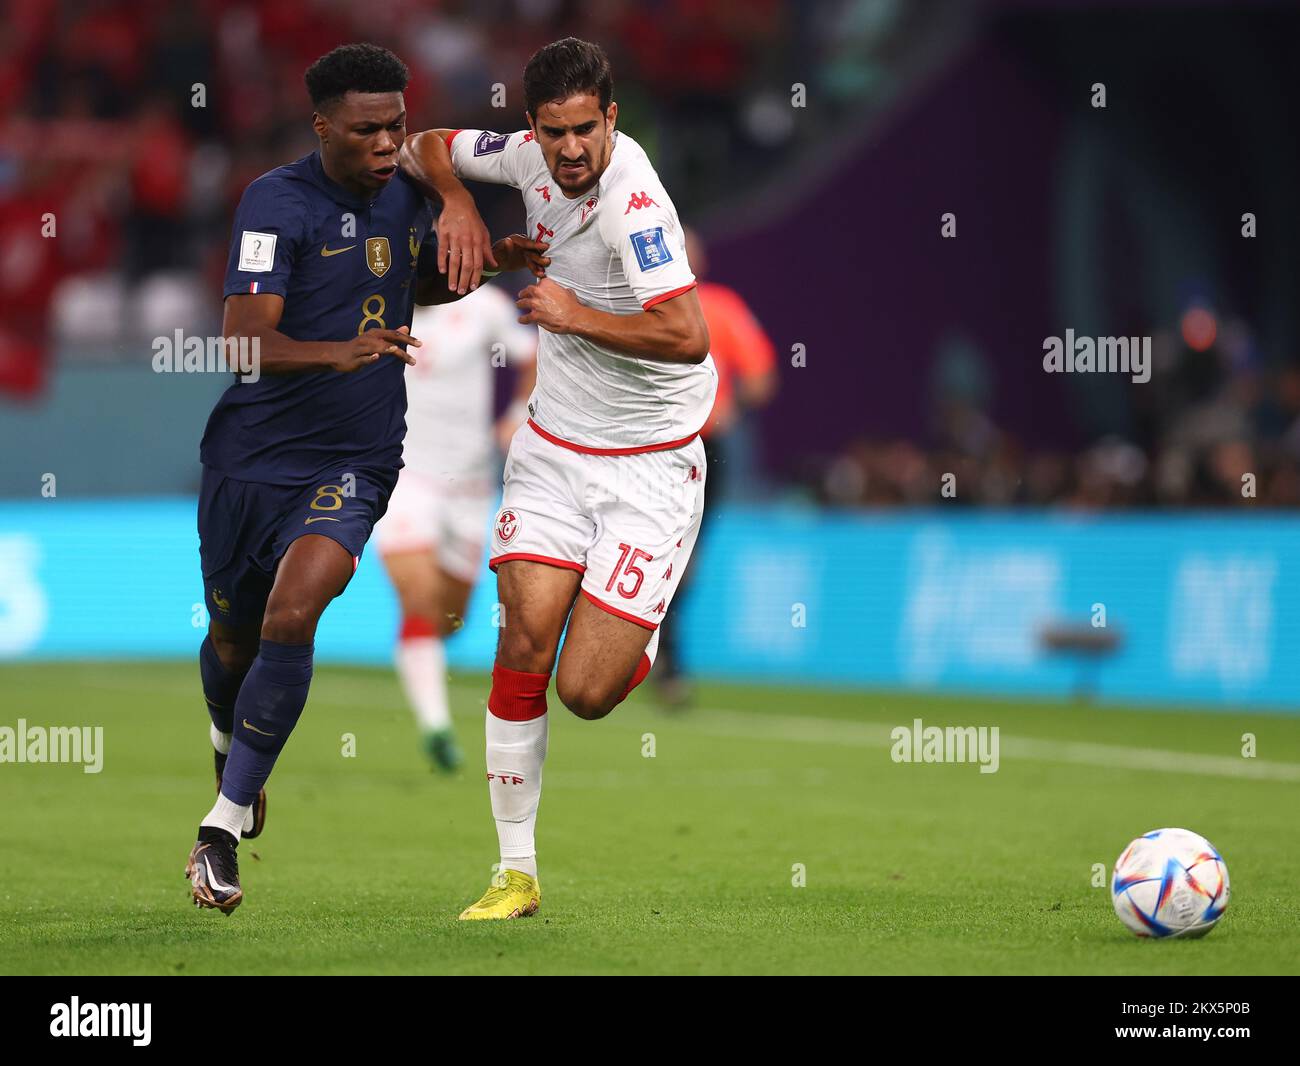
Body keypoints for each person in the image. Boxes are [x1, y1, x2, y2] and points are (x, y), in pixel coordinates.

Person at [185, 42, 508, 914]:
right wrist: (342, 351)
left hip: (358, 458)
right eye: (365, 129)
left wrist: (476, 228)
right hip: (249, 463)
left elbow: (417, 266)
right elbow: (244, 340)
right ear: (321, 125)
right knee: (232, 644)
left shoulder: (407, 188)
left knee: (298, 609)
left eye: (395, 126)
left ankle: (218, 829)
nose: (384, 142)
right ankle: (230, 743)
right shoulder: (273, 202)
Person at [401, 36, 717, 920]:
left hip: (652, 464)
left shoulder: (636, 205)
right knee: (523, 642)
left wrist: (574, 314)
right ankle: (515, 872)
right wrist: (458, 203)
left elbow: (689, 335)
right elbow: (429, 142)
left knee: (583, 691)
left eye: (586, 130)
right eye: (554, 133)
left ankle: (635, 634)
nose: (571, 151)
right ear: (533, 127)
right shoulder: (527, 158)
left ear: (611, 119)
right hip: (551, 450)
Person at [375, 274, 537, 772]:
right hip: (403, 476)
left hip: (469, 484)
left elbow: (532, 355)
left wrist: (515, 413)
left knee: (452, 616)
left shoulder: (484, 305)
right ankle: (436, 727)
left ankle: (421, 656)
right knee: (419, 600)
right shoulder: (377, 305)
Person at [651, 226, 778, 705]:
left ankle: (665, 656)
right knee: (659, 550)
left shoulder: (719, 309)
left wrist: (729, 406)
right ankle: (652, 655)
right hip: (650, 444)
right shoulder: (635, 304)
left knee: (682, 557)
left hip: (701, 447)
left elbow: (762, 378)